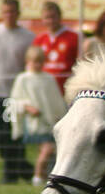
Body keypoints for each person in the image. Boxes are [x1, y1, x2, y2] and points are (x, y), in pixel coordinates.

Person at [0, 0, 36, 183]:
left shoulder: (28, 36)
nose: (9, 15)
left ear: (18, 13)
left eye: (12, 12)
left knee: (15, 136)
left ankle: (10, 177)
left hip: (16, 95)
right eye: (6, 11)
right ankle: (28, 171)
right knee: (0, 138)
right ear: (1, 13)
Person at [9, 45, 65, 185]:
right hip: (34, 122)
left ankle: (45, 177)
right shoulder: (23, 79)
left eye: (40, 61)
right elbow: (14, 101)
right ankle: (38, 176)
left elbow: (56, 99)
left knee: (48, 150)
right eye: (34, 61)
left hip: (49, 121)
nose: (37, 65)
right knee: (47, 149)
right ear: (27, 61)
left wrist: (60, 115)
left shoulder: (49, 78)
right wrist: (27, 107)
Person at [34, 2, 78, 91]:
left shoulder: (74, 37)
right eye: (47, 18)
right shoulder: (39, 39)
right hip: (44, 89)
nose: (50, 21)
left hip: (66, 89)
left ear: (60, 16)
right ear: (42, 19)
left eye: (53, 17)